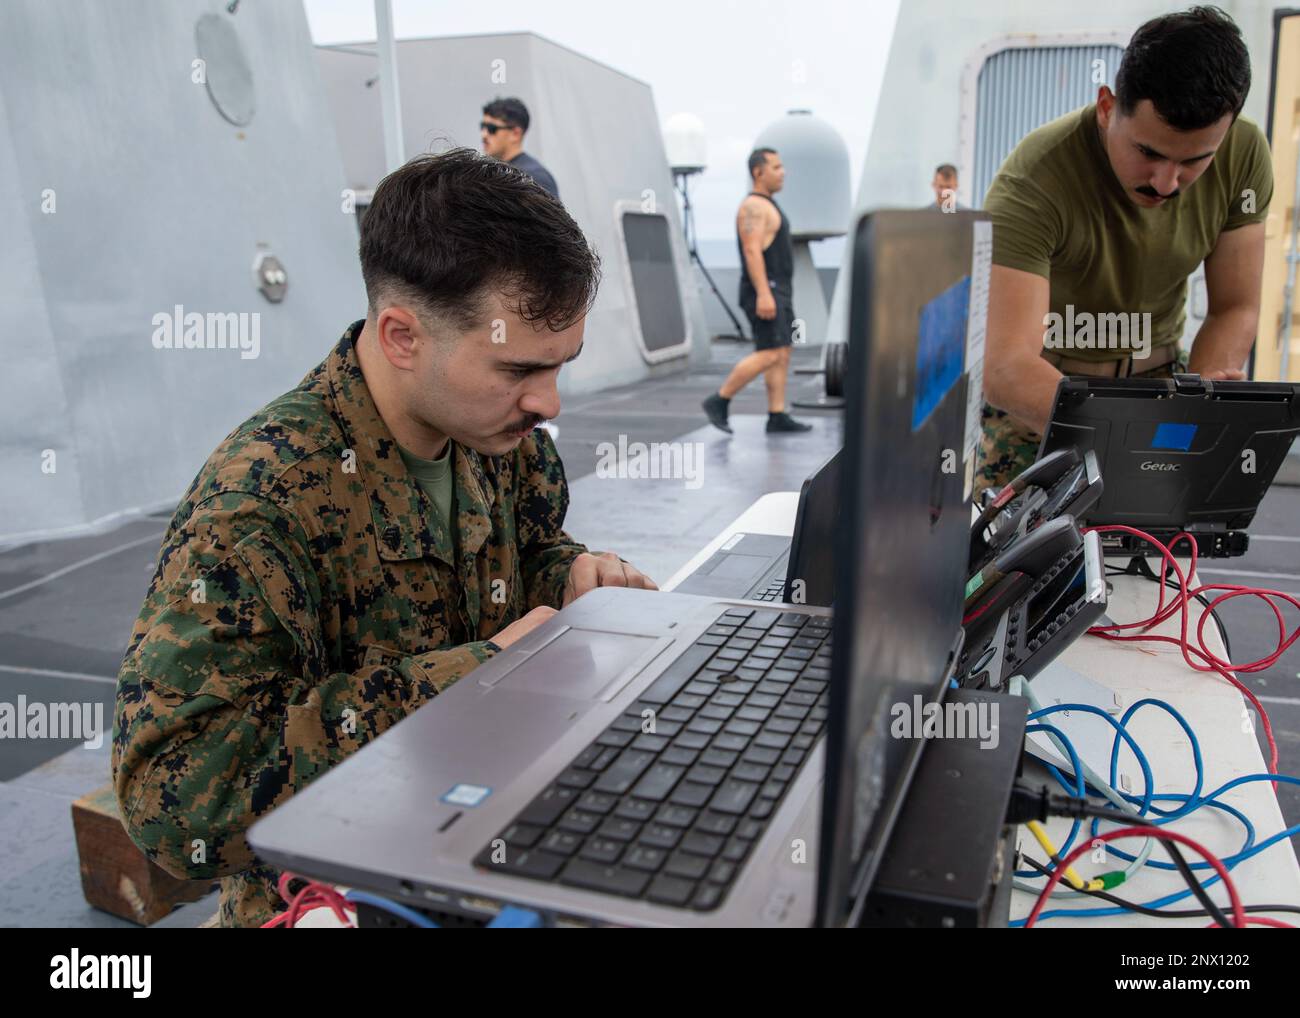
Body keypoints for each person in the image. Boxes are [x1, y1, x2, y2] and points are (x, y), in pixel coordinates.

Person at [112, 148, 655, 927]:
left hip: (487, 840)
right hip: (340, 900)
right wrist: (477, 680)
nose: (550, 401)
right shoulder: (260, 500)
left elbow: (532, 549)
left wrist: (572, 579)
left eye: (562, 365)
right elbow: (177, 800)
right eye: (518, 370)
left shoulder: (499, 437)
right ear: (402, 336)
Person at [977, 6, 1272, 495]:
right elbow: (1005, 365)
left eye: (1195, 161)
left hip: (1161, 385)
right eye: (1148, 152)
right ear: (1107, 106)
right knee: (1018, 565)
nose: (1166, 183)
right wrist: (1127, 432)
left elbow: (1236, 306)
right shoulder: (1034, 179)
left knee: (1158, 562)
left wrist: (1193, 411)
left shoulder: (1244, 155)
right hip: (1041, 399)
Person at [702, 147, 812, 434]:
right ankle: (719, 399)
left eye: (782, 166)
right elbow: (752, 251)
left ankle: (776, 415)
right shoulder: (753, 207)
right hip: (766, 290)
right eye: (776, 167)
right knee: (770, 353)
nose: (782, 172)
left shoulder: (768, 205)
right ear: (758, 172)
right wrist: (764, 293)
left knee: (781, 352)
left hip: (778, 290)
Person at [480, 96, 559, 199]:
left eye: (492, 129)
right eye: (482, 126)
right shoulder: (492, 171)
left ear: (515, 134)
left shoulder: (534, 177)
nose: (484, 134)